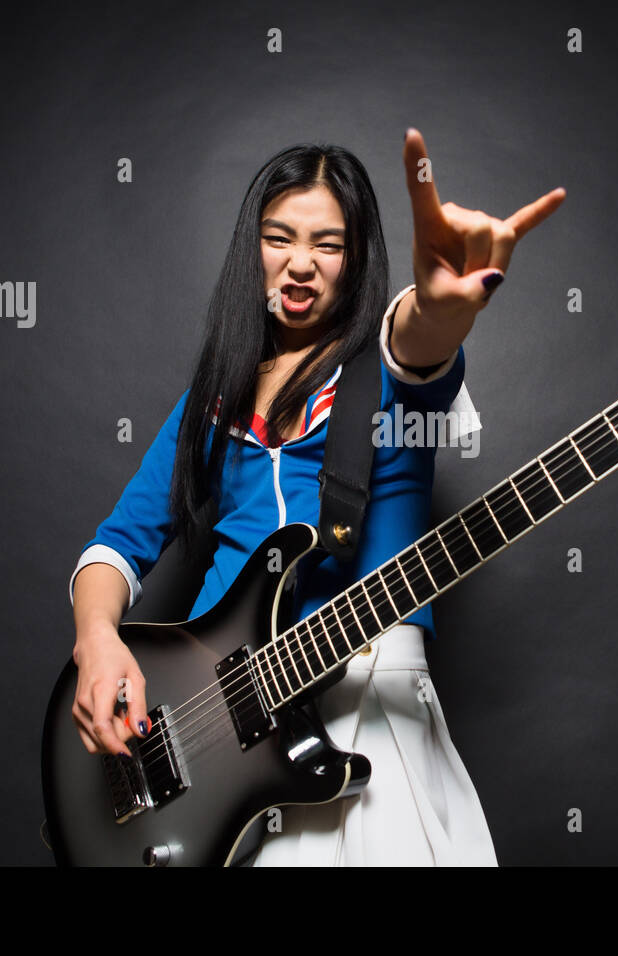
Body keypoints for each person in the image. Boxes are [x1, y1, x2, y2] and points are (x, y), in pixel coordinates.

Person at [67, 128, 565, 865]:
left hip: (369, 708)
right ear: (253, 248)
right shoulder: (211, 401)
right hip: (216, 739)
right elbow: (118, 544)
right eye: (279, 237)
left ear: (357, 259)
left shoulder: (386, 380)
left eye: (328, 245)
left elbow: (419, 339)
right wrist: (98, 640)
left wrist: (442, 305)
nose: (300, 264)